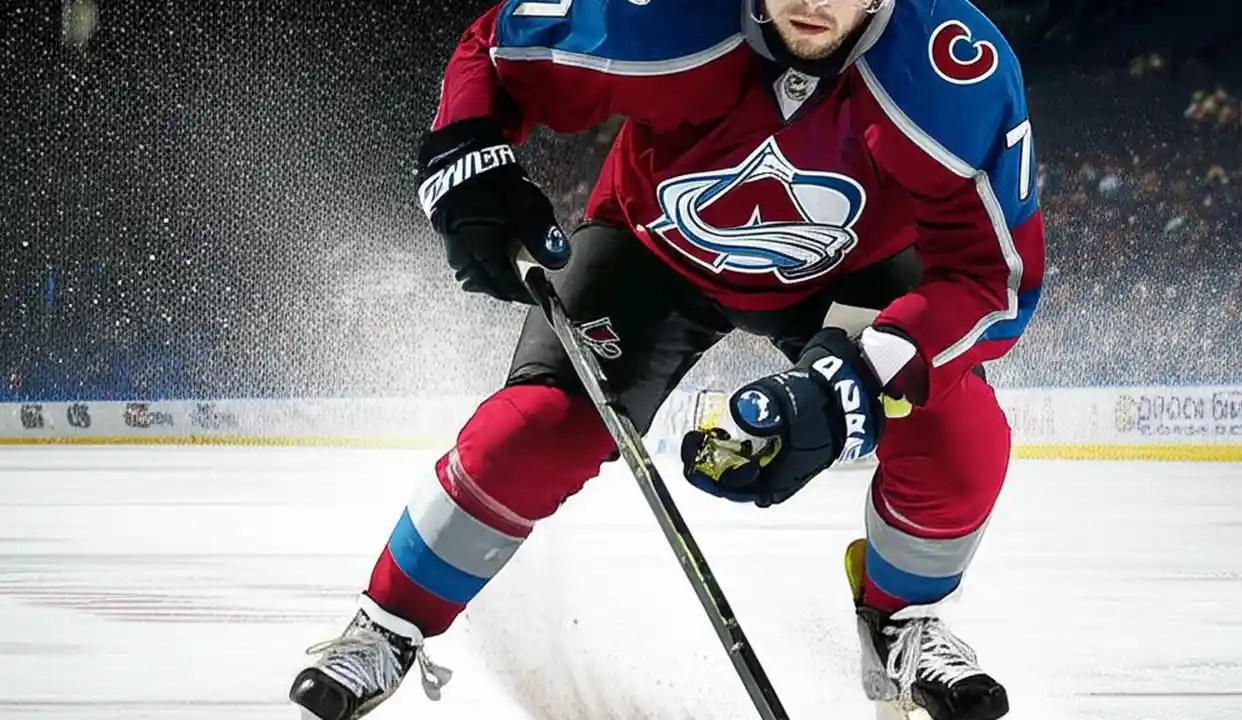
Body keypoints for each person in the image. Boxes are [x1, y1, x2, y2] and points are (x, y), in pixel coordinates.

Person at [289, 0, 1045, 718]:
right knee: (535, 430)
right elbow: (496, 47)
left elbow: (993, 276)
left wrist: (861, 377)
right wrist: (467, 162)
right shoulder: (662, 17)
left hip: (854, 277)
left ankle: (901, 621)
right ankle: (388, 621)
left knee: (955, 428)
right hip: (653, 252)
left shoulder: (955, 69)